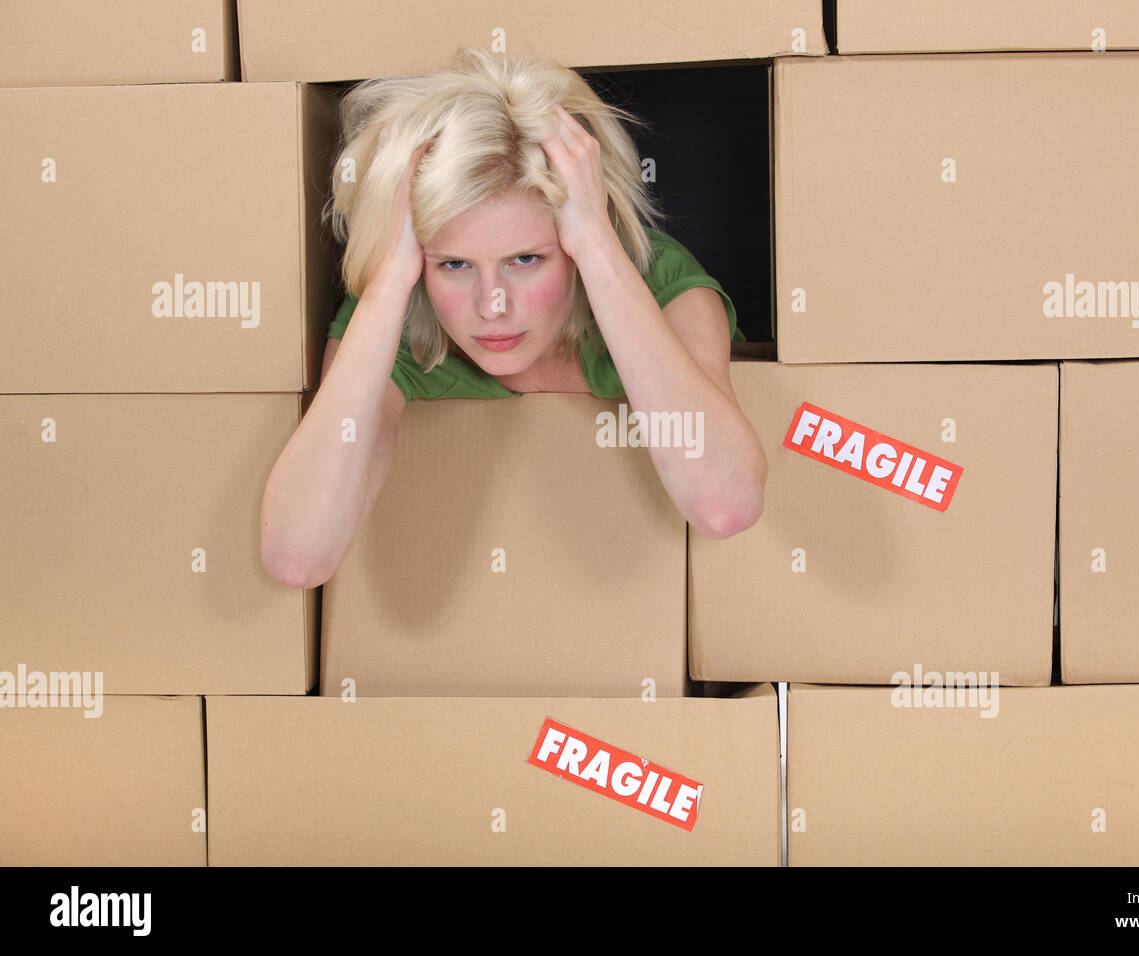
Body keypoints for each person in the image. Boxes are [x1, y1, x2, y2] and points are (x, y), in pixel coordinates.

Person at [261, 48, 767, 589]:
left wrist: (596, 242)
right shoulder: (397, 316)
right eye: (455, 264)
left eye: (526, 259)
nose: (492, 305)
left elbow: (725, 506)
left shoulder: (658, 282)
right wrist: (389, 273)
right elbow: (299, 556)